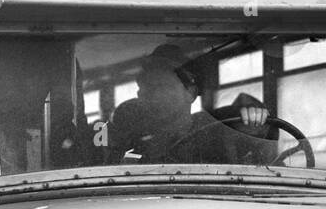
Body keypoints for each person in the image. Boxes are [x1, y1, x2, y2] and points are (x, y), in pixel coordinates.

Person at [108, 44, 273, 166]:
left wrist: (256, 125)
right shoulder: (130, 140)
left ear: (191, 93)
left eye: (163, 86)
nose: (153, 94)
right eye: (147, 87)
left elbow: (269, 168)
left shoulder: (221, 133)